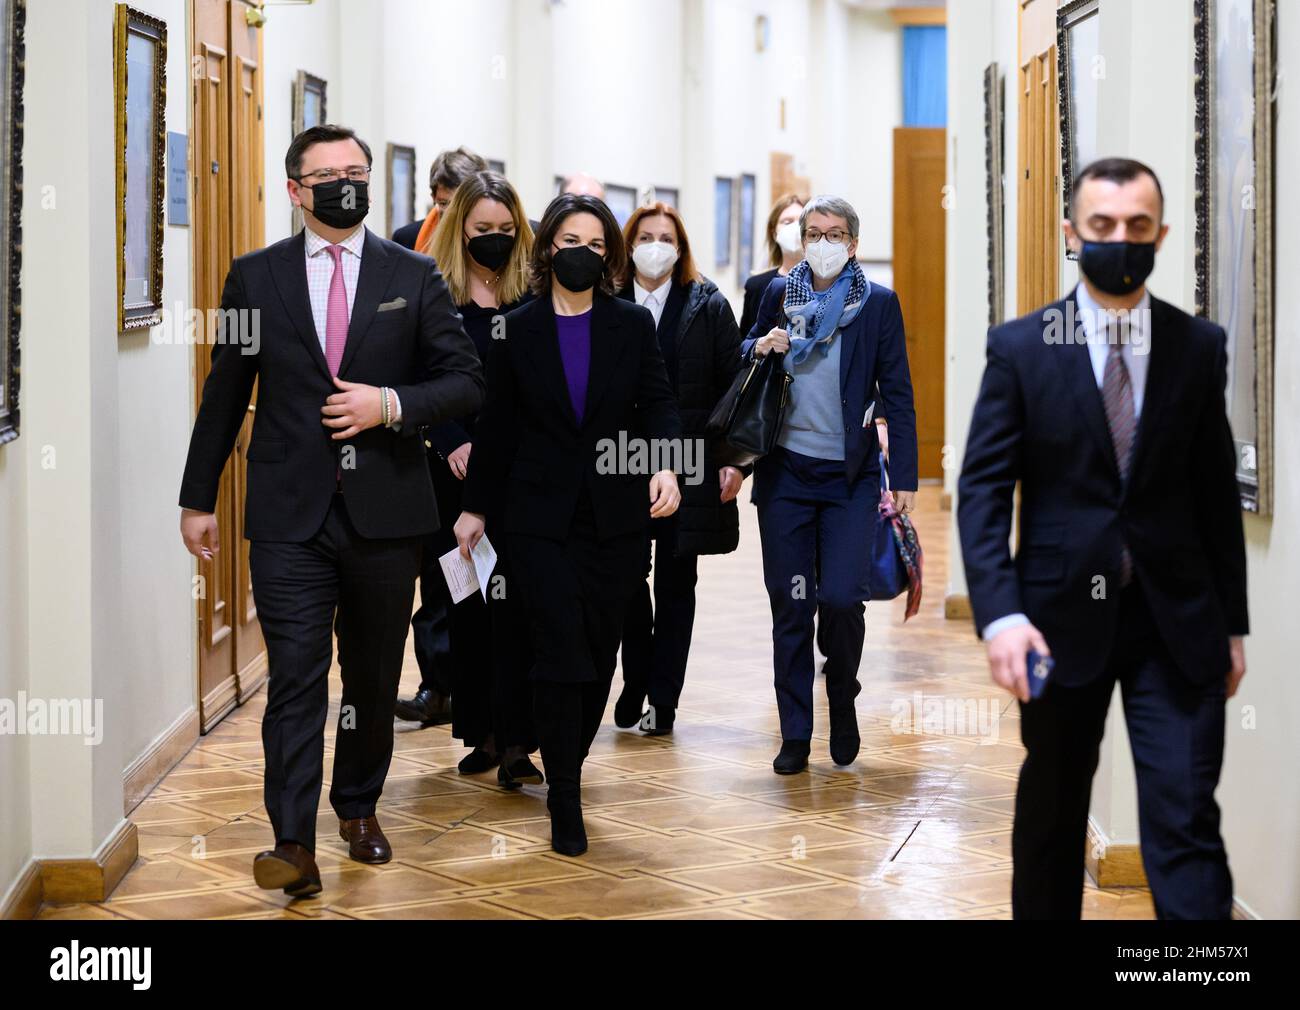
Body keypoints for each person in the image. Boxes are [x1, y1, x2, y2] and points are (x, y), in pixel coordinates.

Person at [178, 125, 484, 896]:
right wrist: (196, 497)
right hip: (289, 515)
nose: (346, 183)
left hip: (387, 513)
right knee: (296, 681)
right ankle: (291, 839)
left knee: (374, 677)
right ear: (295, 191)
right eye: (329, 174)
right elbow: (224, 393)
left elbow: (465, 382)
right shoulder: (255, 276)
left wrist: (389, 404)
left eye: (357, 171)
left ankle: (357, 810)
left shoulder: (413, 275)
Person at [957, 157, 1248, 920]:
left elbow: (1216, 495)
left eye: (1138, 227)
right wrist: (1001, 614)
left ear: (1162, 235)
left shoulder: (1198, 346)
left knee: (1185, 823)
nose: (1121, 239)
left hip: (1176, 625)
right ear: (1072, 234)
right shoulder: (1021, 347)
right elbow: (984, 488)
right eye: (1103, 227)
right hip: (1053, 623)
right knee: (1053, 818)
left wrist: (1233, 625)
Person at [454, 194, 682, 856]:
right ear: (548, 247)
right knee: (559, 649)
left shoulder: (631, 325)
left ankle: (568, 760)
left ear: (608, 255)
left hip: (614, 518)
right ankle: (565, 796)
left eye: (593, 243)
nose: (579, 253)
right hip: (536, 518)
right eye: (567, 240)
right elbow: (496, 426)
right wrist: (474, 508)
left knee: (600, 651)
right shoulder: (515, 329)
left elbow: (660, 404)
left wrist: (664, 468)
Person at [744, 195, 917, 775]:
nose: (821, 241)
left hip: (849, 478)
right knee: (790, 605)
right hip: (786, 475)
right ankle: (795, 732)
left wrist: (909, 477)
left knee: (842, 599)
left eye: (834, 232)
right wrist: (760, 346)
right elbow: (740, 357)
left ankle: (841, 697)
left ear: (853, 243)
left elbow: (898, 392)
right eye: (812, 231)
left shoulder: (877, 305)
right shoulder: (777, 293)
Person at [423, 171, 542, 787]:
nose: (494, 240)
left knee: (517, 609)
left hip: (521, 478)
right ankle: (485, 733)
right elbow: (423, 384)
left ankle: (521, 742)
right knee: (468, 608)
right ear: (458, 230)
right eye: (481, 231)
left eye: (504, 230)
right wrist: (451, 444)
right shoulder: (435, 294)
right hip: (456, 476)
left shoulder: (533, 295)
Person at [613, 202, 745, 736]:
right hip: (618, 458)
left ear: (681, 246)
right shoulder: (607, 297)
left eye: (666, 236)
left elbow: (734, 387)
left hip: (688, 458)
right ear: (628, 243)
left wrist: (735, 463)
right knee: (624, 579)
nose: (655, 245)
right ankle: (634, 678)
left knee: (675, 581)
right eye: (645, 235)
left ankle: (663, 699)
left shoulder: (707, 303)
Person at [392, 146, 491, 723]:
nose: (445, 214)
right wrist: (447, 434)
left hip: (494, 441)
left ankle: (480, 687)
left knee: (484, 575)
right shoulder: (408, 242)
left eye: (457, 205)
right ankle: (437, 683)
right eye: (439, 202)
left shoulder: (504, 246)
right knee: (435, 568)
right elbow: (408, 358)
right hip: (431, 440)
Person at [390, 146, 488, 253]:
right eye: (444, 203)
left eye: (461, 204)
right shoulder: (406, 240)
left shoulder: (491, 238)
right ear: (434, 197)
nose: (453, 212)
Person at [739, 193, 806, 339]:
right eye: (787, 222)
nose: (796, 227)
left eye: (801, 221)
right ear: (774, 232)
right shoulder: (756, 285)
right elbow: (745, 344)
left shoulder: (822, 282)